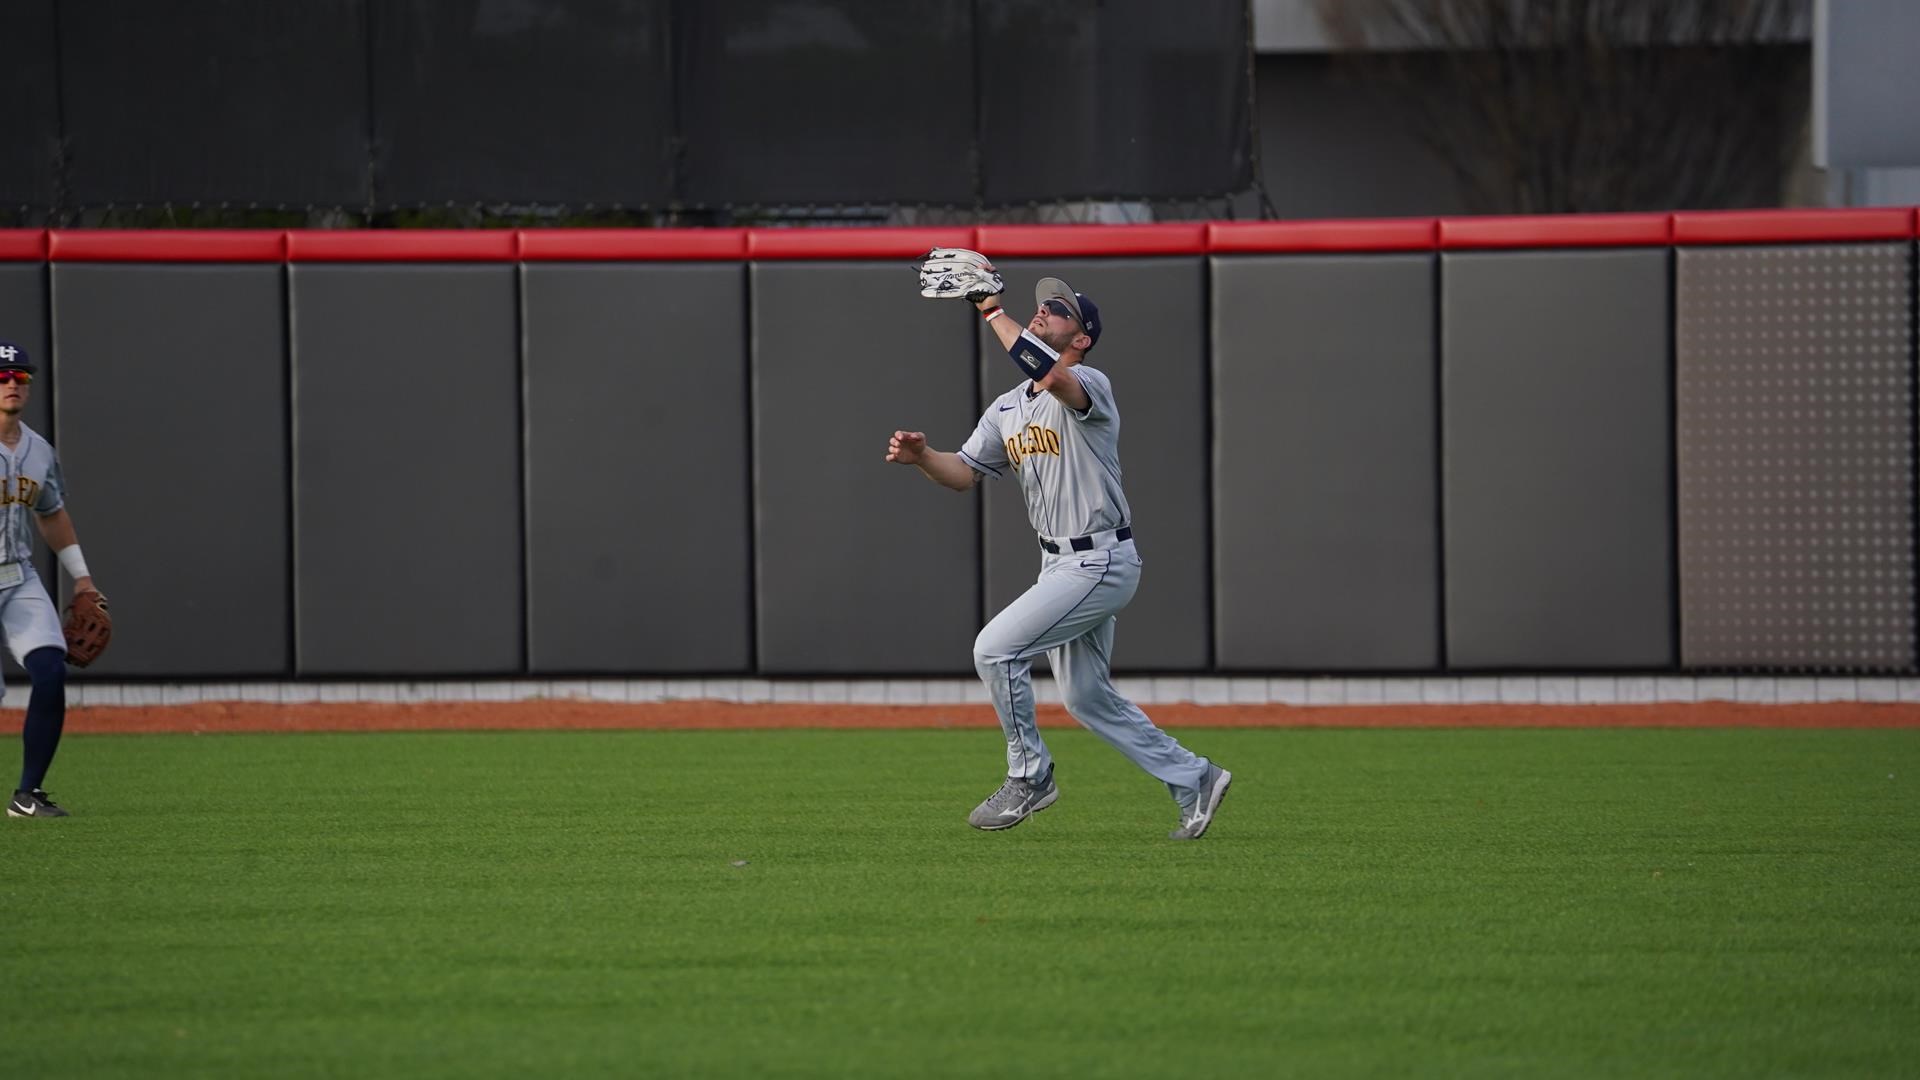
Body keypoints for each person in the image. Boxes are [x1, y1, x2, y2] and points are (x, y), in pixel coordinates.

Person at [885, 265, 1232, 840]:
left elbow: (1047, 373)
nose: (1044, 310)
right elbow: (964, 473)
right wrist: (922, 457)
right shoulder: (1006, 408)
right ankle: (1194, 778)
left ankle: (1030, 776)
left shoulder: (1089, 384)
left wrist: (992, 311)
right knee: (1087, 697)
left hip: (1100, 559)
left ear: (1082, 338)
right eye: (1042, 305)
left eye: (1059, 310)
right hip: (1059, 563)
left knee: (995, 650)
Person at [0, 342, 101, 819]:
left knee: (50, 671)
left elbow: (52, 513)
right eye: (3, 376)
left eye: (20, 376)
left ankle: (28, 794)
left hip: (18, 577)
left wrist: (82, 579)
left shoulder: (39, 451)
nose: (12, 383)